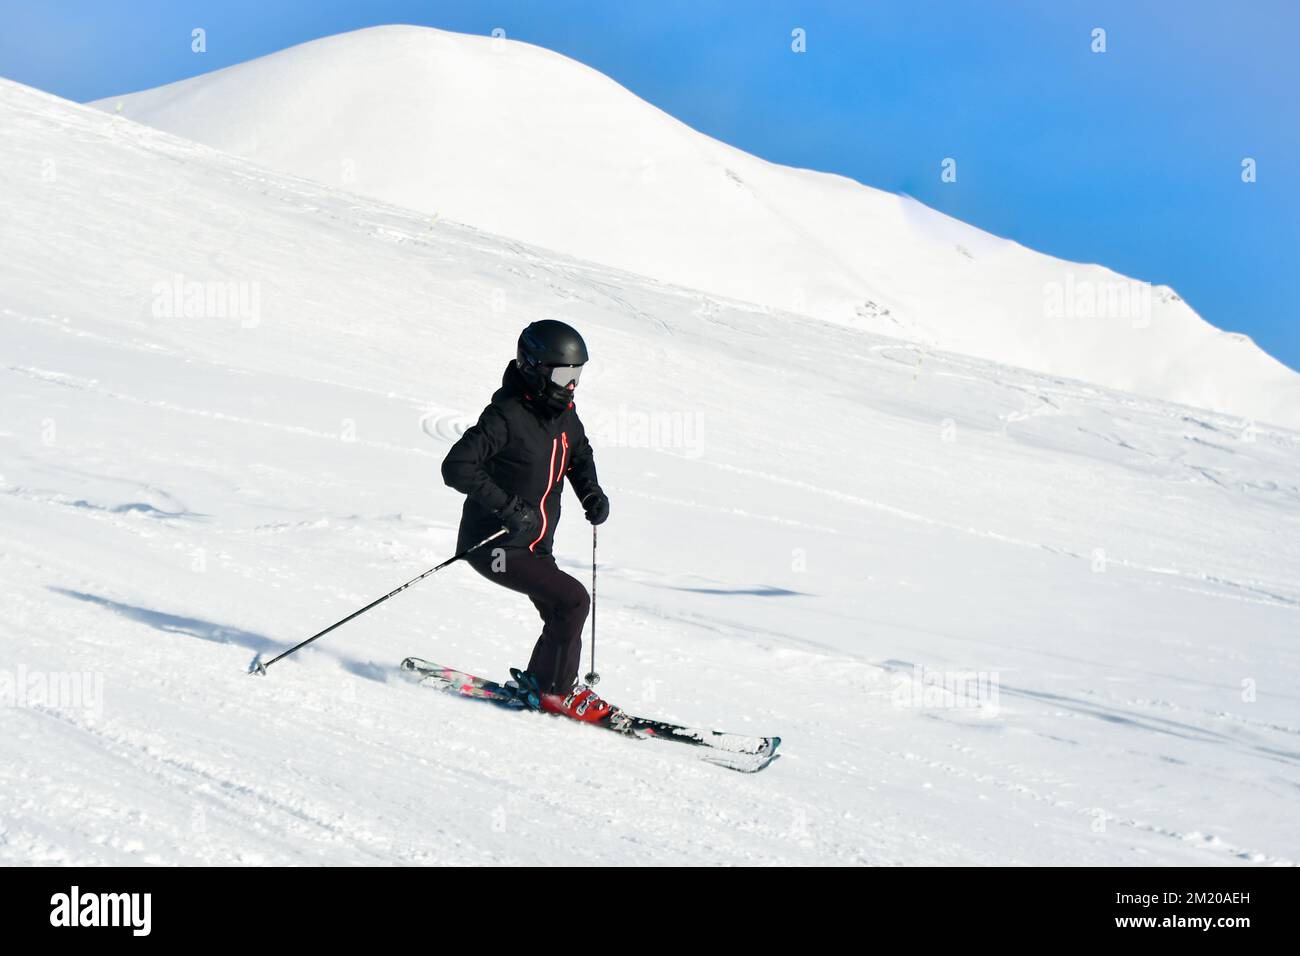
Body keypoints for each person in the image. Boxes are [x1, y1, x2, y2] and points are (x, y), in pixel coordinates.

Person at [441, 319, 612, 721]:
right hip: (495, 545)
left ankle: (546, 686)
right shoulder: (505, 416)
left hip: (535, 547)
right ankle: (555, 692)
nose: (572, 384)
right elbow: (457, 467)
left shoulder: (563, 415)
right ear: (535, 368)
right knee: (572, 600)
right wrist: (507, 507)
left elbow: (579, 454)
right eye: (563, 373)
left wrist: (590, 491)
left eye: (577, 374)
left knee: (563, 611)